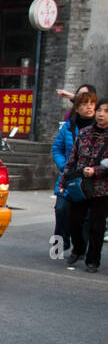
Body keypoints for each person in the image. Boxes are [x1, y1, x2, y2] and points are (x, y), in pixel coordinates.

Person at [60, 97, 108, 273]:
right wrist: (64, 181)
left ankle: (93, 260)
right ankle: (78, 249)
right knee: (74, 221)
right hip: (79, 184)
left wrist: (96, 171)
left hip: (102, 187)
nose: (101, 114)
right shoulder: (85, 132)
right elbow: (72, 158)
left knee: (97, 226)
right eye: (100, 110)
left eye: (106, 111)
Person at [53, 88, 96, 253]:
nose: (89, 107)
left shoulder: (99, 129)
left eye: (92, 104)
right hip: (68, 176)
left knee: (85, 216)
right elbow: (56, 148)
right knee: (61, 209)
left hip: (90, 178)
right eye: (84, 104)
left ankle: (80, 248)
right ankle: (59, 244)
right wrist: (64, 165)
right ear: (77, 108)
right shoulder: (69, 126)